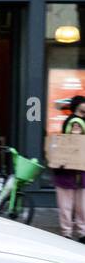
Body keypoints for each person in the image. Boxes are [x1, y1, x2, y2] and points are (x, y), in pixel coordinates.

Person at [53, 95, 85, 241]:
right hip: (70, 170)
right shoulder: (75, 121)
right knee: (72, 204)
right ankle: (71, 232)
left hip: (74, 170)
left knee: (77, 204)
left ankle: (71, 232)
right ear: (78, 106)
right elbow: (73, 142)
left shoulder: (75, 120)